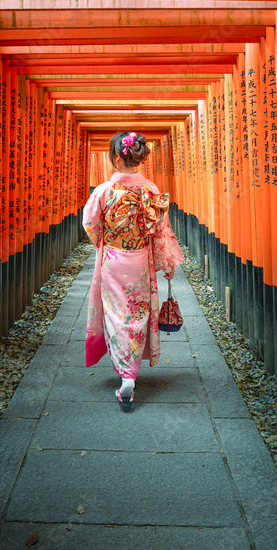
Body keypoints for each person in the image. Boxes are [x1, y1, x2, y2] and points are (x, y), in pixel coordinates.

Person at [82, 131, 184, 411]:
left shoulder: (103, 191)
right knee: (138, 312)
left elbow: (90, 225)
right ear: (136, 157)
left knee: (116, 314)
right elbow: (161, 230)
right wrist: (166, 264)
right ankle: (131, 369)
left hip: (113, 259)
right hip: (140, 258)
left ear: (116, 157)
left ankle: (126, 374)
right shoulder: (150, 189)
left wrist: (103, 242)